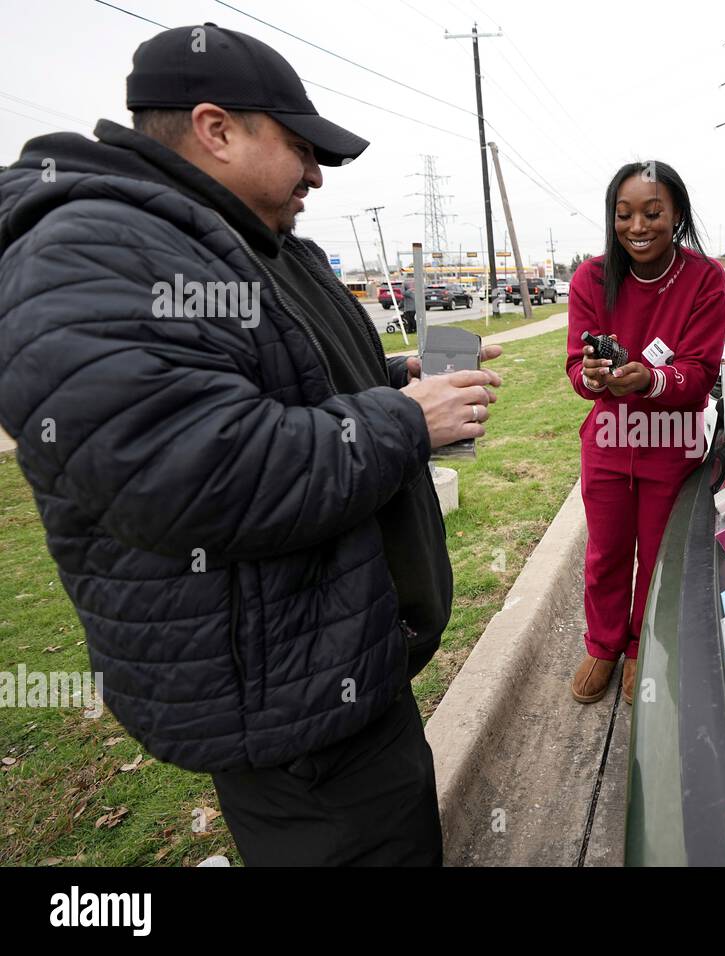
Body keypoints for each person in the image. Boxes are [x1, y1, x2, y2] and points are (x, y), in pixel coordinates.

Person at [0, 23, 502, 866]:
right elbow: (194, 468)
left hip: (334, 661)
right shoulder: (92, 249)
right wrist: (408, 422)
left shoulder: (224, 239)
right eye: (302, 148)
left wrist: (400, 374)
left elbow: (274, 379)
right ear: (216, 127)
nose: (315, 175)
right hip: (281, 698)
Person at [565, 161, 725, 705]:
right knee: (607, 552)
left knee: (658, 555)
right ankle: (604, 645)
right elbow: (575, 369)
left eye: (653, 212)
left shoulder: (706, 279)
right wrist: (590, 377)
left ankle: (642, 647)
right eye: (624, 214)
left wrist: (653, 379)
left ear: (677, 214)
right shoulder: (590, 278)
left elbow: (701, 372)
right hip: (609, 443)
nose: (638, 226)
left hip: (671, 447)